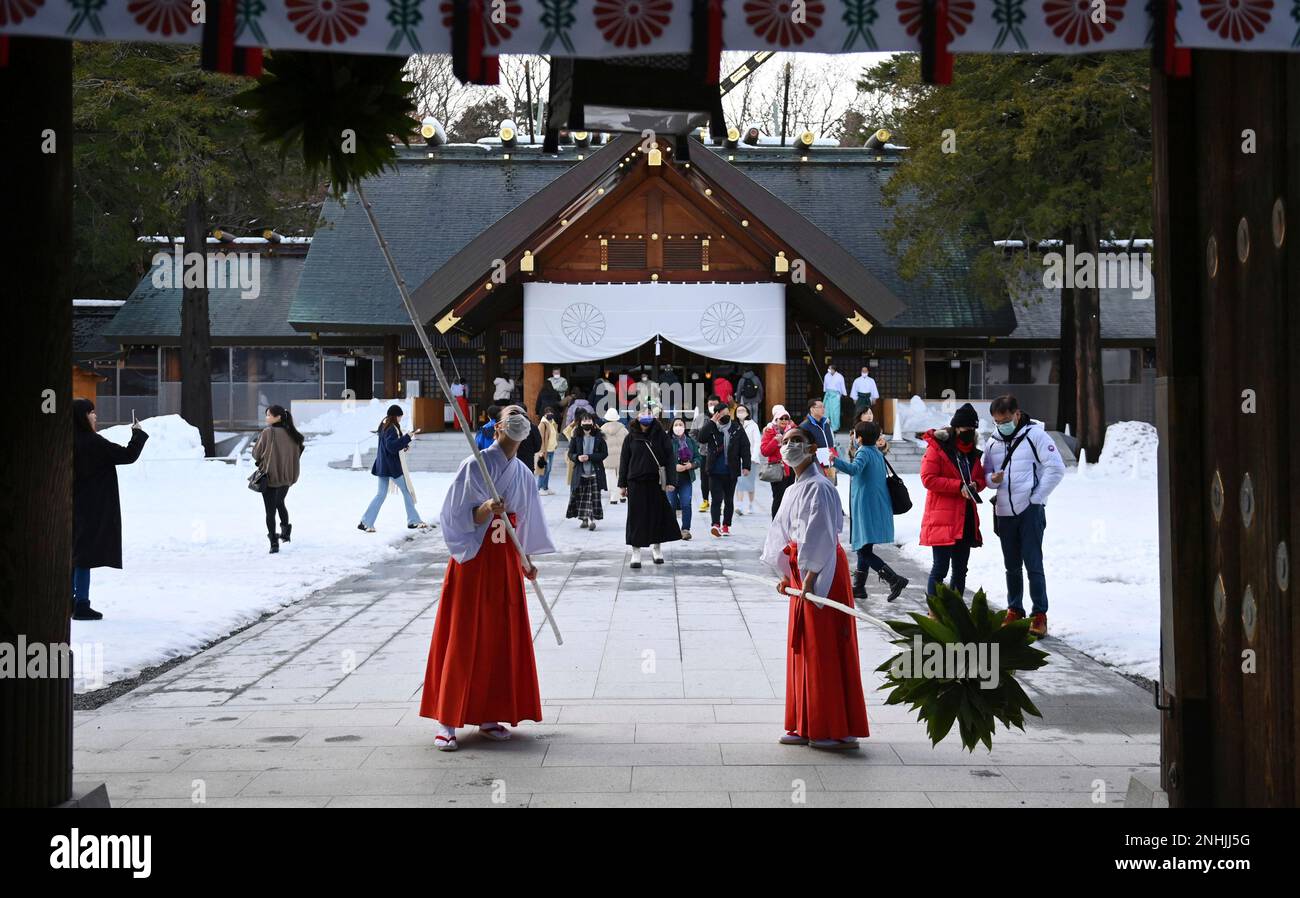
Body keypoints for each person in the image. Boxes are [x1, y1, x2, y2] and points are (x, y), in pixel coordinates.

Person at [419, 405, 555, 751]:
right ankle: (447, 718)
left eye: (521, 415)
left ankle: (489, 714)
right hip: (474, 560)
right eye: (511, 414)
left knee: (498, 636)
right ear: (497, 428)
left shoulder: (522, 473)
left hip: (504, 562)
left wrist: (526, 559)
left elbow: (527, 519)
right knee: (464, 635)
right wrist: (482, 511)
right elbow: (452, 515)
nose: (518, 419)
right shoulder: (474, 465)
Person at [761, 427, 869, 750]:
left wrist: (808, 578)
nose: (789, 446)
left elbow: (820, 533)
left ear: (811, 449)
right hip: (802, 570)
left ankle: (834, 727)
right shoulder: (795, 488)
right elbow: (782, 531)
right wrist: (785, 572)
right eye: (785, 441)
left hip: (822, 572)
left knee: (824, 647)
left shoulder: (820, 487)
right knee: (803, 647)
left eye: (797, 441)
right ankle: (805, 722)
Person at [984, 394, 1066, 637]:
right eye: (997, 421)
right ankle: (1014, 609)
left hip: (1029, 511)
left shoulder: (1036, 436)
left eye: (1006, 420)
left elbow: (1056, 468)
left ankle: (1039, 614)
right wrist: (992, 479)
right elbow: (985, 474)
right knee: (1011, 566)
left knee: (1033, 564)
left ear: (1017, 414)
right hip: (1004, 511)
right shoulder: (992, 442)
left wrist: (1036, 498)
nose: (1002, 425)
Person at [72, 399, 148, 621]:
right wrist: (138, 435)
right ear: (82, 417)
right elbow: (127, 455)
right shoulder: (93, 442)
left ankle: (70, 600)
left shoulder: (68, 441)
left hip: (73, 505)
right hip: (93, 507)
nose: (95, 416)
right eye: (91, 412)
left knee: (73, 555)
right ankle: (82, 604)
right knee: (84, 557)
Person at [833, 422, 909, 601]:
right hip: (876, 504)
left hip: (867, 505)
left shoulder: (864, 452)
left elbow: (854, 469)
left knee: (863, 550)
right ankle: (859, 587)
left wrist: (833, 460)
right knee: (864, 546)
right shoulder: (876, 452)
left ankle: (894, 579)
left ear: (859, 437)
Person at [919, 403, 987, 600]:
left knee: (960, 570)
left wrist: (976, 484)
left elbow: (980, 478)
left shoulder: (973, 452)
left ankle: (956, 612)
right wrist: (958, 486)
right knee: (940, 568)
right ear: (956, 428)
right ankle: (934, 612)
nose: (970, 433)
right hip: (943, 517)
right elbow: (928, 479)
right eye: (967, 429)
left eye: (973, 429)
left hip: (965, 518)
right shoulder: (938, 448)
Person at [618, 411, 681, 567]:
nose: (646, 418)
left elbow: (670, 460)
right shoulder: (630, 437)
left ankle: (657, 548)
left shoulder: (661, 436)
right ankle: (636, 552)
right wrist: (622, 485)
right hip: (635, 482)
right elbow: (624, 461)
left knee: (657, 515)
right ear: (637, 417)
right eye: (642, 414)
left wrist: (671, 481)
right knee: (636, 518)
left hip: (656, 482)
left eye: (649, 414)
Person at [358, 404, 428, 532]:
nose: (401, 418)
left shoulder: (384, 425)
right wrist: (407, 437)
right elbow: (391, 447)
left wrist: (404, 444)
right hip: (391, 467)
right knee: (406, 491)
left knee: (380, 495)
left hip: (383, 465)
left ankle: (366, 521)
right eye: (400, 416)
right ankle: (413, 520)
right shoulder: (391, 428)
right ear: (396, 416)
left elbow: (391, 445)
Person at [252, 404, 305, 554]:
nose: (266, 417)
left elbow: (256, 453)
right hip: (287, 477)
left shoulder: (268, 432)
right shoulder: (293, 434)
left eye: (269, 415)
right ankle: (286, 530)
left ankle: (274, 543)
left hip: (269, 478)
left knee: (270, 511)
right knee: (280, 502)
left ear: (278, 417)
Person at [697, 403, 751, 537]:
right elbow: (701, 438)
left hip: (731, 470)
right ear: (717, 414)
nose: (727, 415)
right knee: (716, 499)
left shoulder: (736, 428)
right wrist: (711, 422)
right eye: (723, 413)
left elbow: (745, 447)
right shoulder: (712, 428)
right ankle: (715, 525)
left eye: (728, 413)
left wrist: (746, 465)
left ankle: (726, 525)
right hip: (714, 470)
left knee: (728, 499)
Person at [565, 410, 607, 530]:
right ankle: (584, 519)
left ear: (593, 423)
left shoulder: (599, 437)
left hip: (595, 472)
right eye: (584, 420)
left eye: (589, 420)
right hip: (580, 472)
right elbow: (570, 453)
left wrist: (590, 457)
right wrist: (577, 457)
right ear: (580, 422)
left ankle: (592, 520)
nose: (587, 422)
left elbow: (604, 453)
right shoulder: (576, 437)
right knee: (582, 497)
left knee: (594, 497)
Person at [667, 417, 702, 539]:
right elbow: (662, 458)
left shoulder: (690, 441)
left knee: (686, 503)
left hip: (686, 478)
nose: (678, 427)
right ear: (672, 427)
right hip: (670, 478)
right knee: (671, 504)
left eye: (680, 424)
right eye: (676, 424)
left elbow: (698, 458)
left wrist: (691, 465)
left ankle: (685, 529)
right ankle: (672, 529)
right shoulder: (667, 441)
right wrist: (673, 466)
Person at [760, 404, 797, 518]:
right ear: (776, 419)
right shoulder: (769, 431)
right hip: (777, 469)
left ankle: (787, 523)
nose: (784, 421)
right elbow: (764, 451)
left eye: (786, 418)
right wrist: (775, 441)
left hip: (791, 468)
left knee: (790, 498)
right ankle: (775, 523)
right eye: (781, 418)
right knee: (779, 497)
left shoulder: (793, 430)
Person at [691, 393, 721, 512]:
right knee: (705, 479)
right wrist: (698, 445)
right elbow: (692, 433)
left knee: (719, 478)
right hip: (704, 454)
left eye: (715, 404)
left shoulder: (724, 418)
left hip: (719, 454)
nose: (712, 406)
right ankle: (705, 501)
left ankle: (719, 502)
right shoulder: (700, 418)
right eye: (710, 404)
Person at [733, 403, 763, 516]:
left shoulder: (753, 425)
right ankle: (739, 505)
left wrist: (755, 456)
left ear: (747, 413)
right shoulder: (734, 425)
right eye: (738, 411)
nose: (740, 413)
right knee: (739, 482)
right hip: (737, 459)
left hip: (751, 458)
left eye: (742, 410)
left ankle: (750, 504)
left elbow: (757, 442)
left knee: (750, 483)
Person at [600, 406, 629, 505]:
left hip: (607, 457)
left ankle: (613, 496)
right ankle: (622, 495)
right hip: (622, 457)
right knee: (621, 476)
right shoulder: (623, 429)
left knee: (610, 476)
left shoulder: (602, 430)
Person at [800, 398, 837, 472]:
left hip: (830, 463)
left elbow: (832, 443)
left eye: (823, 407)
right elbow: (802, 448)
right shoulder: (804, 426)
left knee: (830, 483)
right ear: (812, 409)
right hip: (815, 466)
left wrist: (835, 457)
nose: (823, 409)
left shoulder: (826, 424)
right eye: (820, 407)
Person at [536, 407, 560, 495]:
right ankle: (539, 488)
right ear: (544, 414)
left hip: (551, 449)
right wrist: (542, 450)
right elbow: (541, 438)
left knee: (548, 469)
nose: (550, 414)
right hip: (545, 450)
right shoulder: (543, 424)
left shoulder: (553, 423)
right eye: (548, 412)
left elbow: (555, 434)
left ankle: (545, 487)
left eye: (551, 412)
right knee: (543, 469)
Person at [822, 364, 846, 432]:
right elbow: (825, 385)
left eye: (830, 369)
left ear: (833, 369)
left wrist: (843, 393)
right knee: (826, 411)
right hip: (828, 394)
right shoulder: (826, 375)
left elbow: (842, 386)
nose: (828, 370)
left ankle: (835, 427)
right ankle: (826, 426)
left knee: (835, 412)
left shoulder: (840, 376)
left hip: (835, 395)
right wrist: (825, 390)